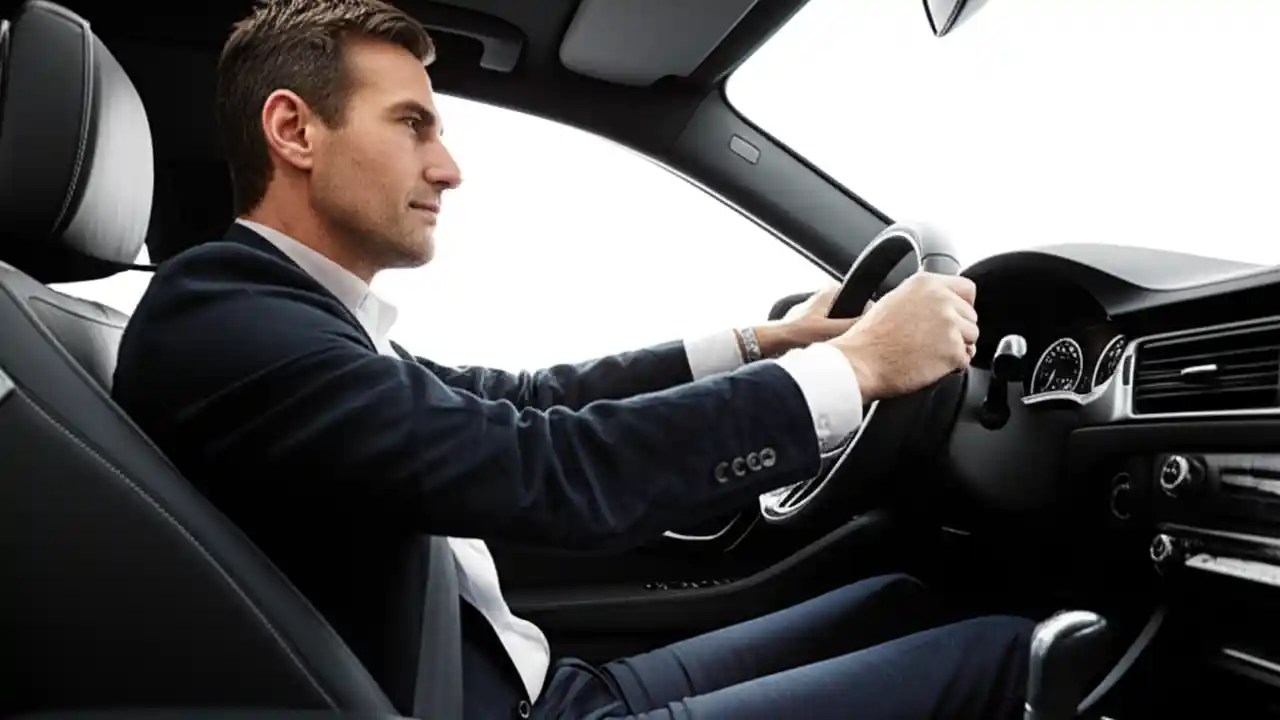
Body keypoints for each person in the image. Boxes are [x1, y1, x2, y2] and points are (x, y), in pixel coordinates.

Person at [112, 1, 1031, 717]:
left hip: (542, 686)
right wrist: (860, 367)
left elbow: (521, 401)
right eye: (412, 126)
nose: (449, 167)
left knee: (901, 599)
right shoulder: (225, 326)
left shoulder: (277, 313)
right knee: (1002, 659)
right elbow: (545, 468)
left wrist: (768, 343)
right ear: (296, 131)